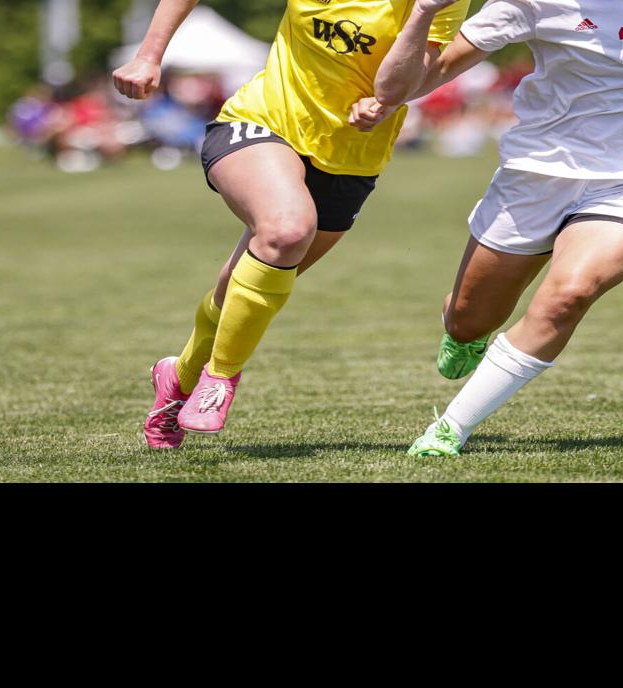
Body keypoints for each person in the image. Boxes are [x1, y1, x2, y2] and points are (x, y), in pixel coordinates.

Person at [347, 0, 623, 457]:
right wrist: (390, 97)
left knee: (570, 294)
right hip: (536, 174)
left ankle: (449, 429)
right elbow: (443, 64)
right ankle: (464, 334)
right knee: (468, 318)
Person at [118, 0, 470, 448]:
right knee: (287, 230)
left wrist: (411, 37)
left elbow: (409, 80)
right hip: (262, 121)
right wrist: (150, 54)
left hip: (351, 157)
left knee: (239, 288)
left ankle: (178, 376)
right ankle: (220, 378)